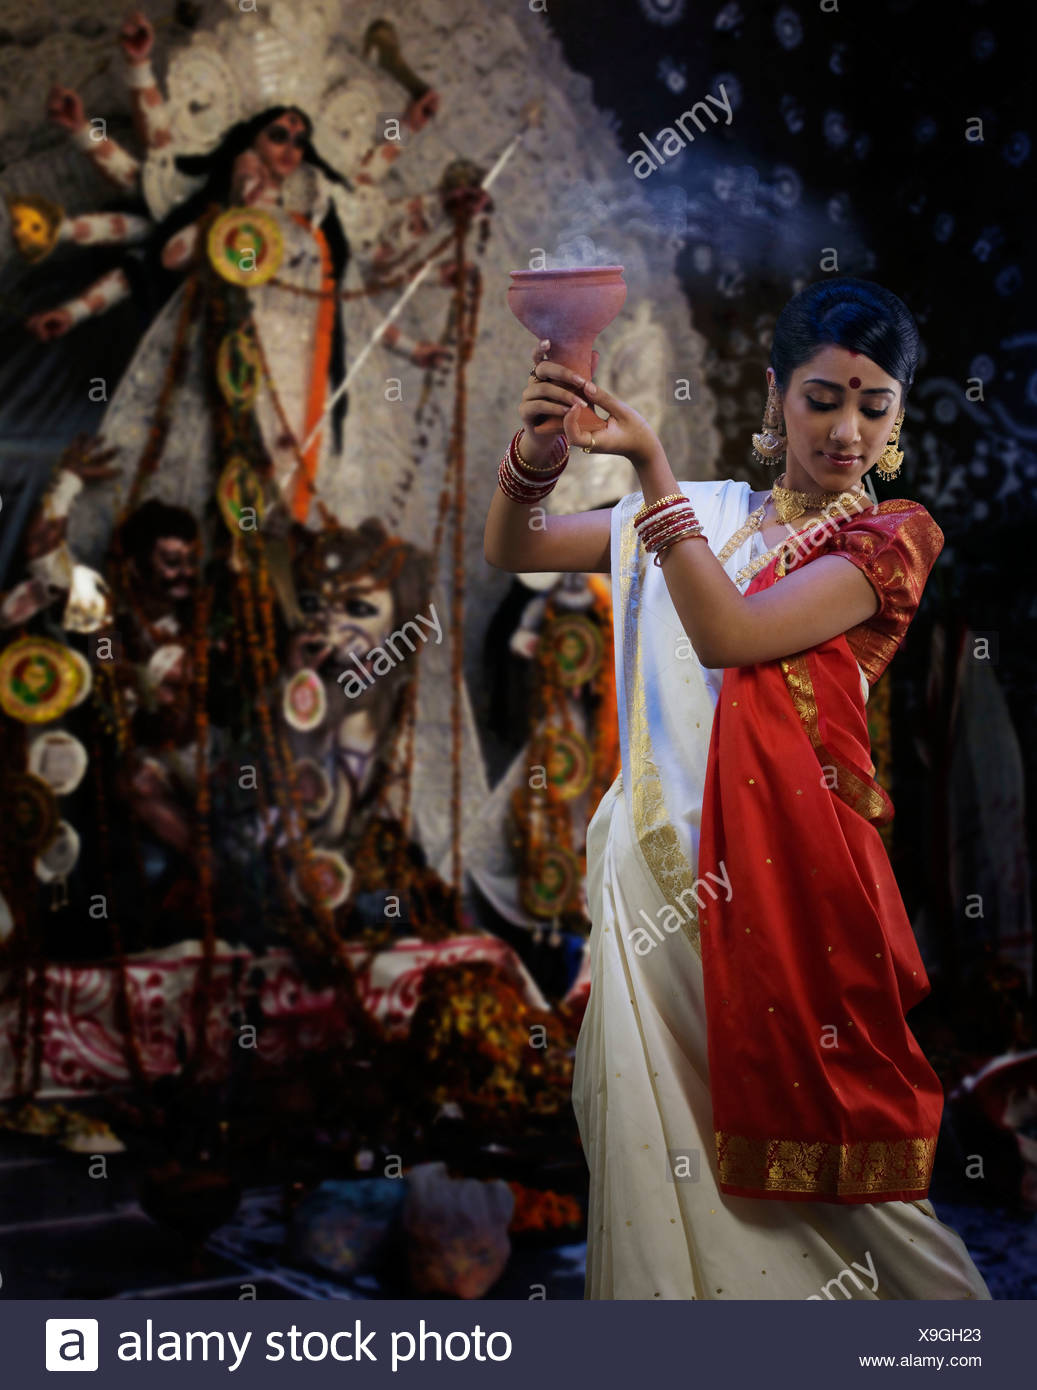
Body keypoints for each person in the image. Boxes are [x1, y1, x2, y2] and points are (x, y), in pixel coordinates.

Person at [484, 276, 991, 1300]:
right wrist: (537, 451)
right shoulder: (708, 513)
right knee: (659, 1160)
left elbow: (728, 631)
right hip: (654, 881)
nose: (846, 430)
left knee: (847, 1187)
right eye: (821, 398)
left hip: (781, 893)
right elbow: (517, 545)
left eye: (873, 405)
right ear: (774, 396)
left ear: (897, 414)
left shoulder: (887, 541)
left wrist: (649, 468)